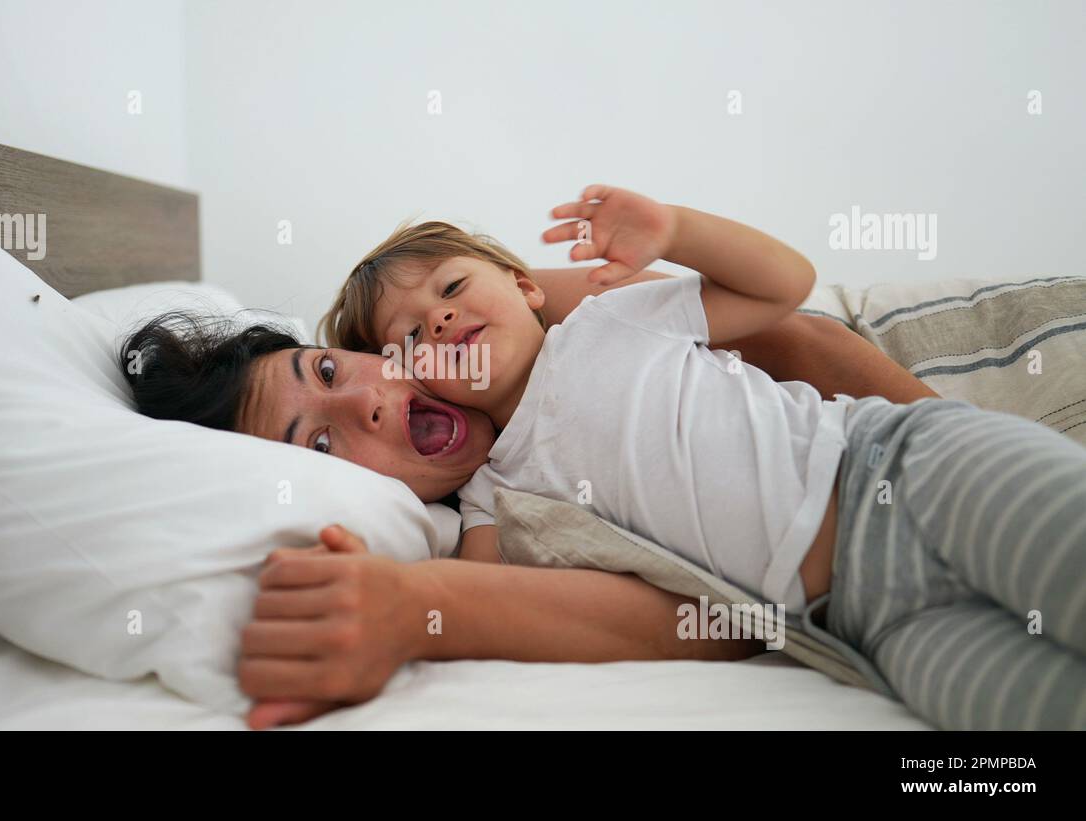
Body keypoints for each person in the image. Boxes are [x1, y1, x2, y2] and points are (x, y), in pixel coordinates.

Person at [311, 184, 1086, 731]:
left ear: (527, 286)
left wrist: (676, 229)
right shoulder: (497, 491)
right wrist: (397, 592)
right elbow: (482, 598)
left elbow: (787, 286)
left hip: (906, 468)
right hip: (866, 619)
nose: (439, 319)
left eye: (451, 286)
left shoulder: (615, 317)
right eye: (411, 336)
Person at [122, 225, 938, 730]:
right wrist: (421, 607)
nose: (370, 402)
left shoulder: (543, 320)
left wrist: (949, 439)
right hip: (861, 601)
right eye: (322, 452)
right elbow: (708, 617)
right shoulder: (493, 504)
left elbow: (802, 338)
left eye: (334, 367)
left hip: (903, 436)